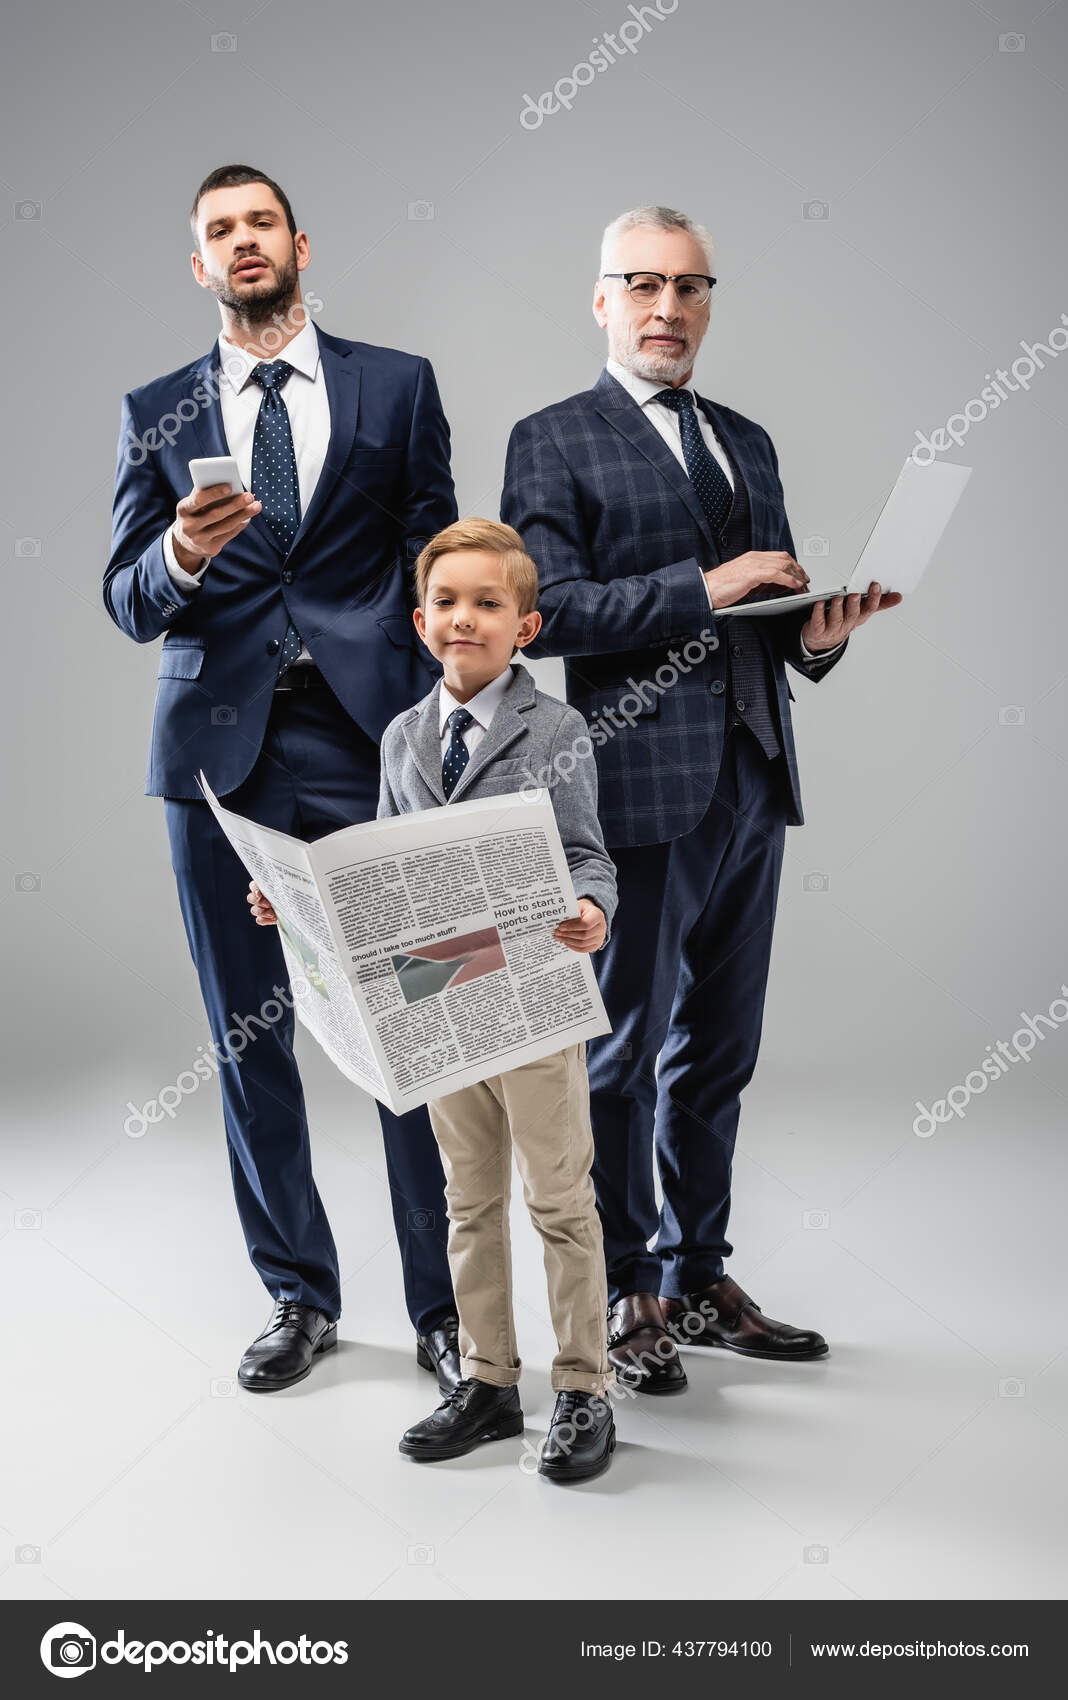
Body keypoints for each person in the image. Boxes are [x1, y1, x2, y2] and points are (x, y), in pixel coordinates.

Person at [501, 205, 901, 1392]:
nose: (667, 308)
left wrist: (818, 635)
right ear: (601, 298)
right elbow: (550, 612)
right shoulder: (552, 437)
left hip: (749, 778)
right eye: (642, 283)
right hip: (632, 785)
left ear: (708, 302)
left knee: (718, 1052)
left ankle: (696, 1270)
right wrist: (703, 583)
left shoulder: (748, 440)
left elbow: (762, 625)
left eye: (689, 287)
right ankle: (625, 1289)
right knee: (621, 1056)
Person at [104, 164, 461, 1395]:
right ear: (198, 267)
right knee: (249, 1037)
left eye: (259, 222)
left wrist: (453, 720)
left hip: (373, 743)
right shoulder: (156, 410)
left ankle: (445, 1307)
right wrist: (176, 555)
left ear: (299, 242)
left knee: (409, 1026)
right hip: (219, 758)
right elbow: (122, 598)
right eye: (218, 232)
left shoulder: (397, 385)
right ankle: (298, 1295)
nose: (242, 242)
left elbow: (439, 558)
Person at [250, 518, 620, 1482]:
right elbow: (380, 869)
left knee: (560, 1200)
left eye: (488, 603)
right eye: (447, 602)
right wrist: (300, 909)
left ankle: (583, 1385)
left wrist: (591, 909)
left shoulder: (561, 730)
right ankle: (491, 1383)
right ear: (420, 622)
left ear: (527, 626)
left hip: (532, 1005)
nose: (466, 619)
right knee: (466, 1202)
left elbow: (588, 854)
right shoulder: (403, 736)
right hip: (440, 1007)